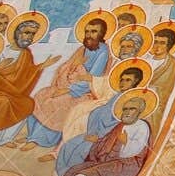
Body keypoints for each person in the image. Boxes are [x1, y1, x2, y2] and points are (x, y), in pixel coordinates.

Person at [41, 89, 155, 176]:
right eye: (125, 109)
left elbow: (135, 152)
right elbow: (105, 144)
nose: (127, 112)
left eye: (132, 109)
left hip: (127, 165)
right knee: (75, 171)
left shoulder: (142, 126)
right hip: (109, 161)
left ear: (139, 111)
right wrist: (97, 141)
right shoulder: (119, 125)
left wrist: (125, 143)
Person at [31, 13, 114, 150]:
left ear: (102, 34)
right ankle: (35, 137)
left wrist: (68, 89)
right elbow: (68, 66)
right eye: (87, 31)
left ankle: (47, 140)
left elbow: (93, 79)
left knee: (57, 102)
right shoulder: (83, 48)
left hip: (85, 92)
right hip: (69, 84)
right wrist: (63, 82)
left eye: (94, 32)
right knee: (42, 95)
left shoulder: (103, 52)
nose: (89, 35)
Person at [0, 15, 57, 147]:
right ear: (16, 32)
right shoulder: (1, 51)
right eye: (26, 33)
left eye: (32, 34)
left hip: (14, 92)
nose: (29, 37)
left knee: (27, 103)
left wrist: (41, 67)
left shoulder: (26, 53)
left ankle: (6, 138)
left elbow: (28, 72)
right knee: (3, 102)